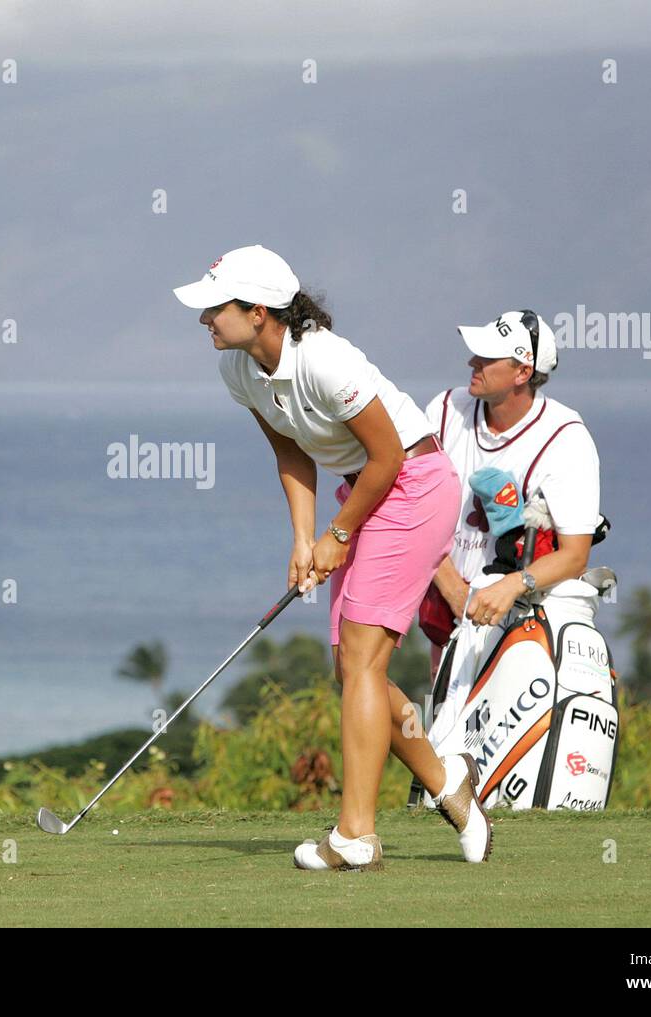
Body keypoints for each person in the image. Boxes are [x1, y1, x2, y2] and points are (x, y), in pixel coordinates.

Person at [172, 244, 492, 869]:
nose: (204, 319)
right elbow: (291, 453)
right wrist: (302, 537)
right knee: (351, 669)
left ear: (259, 311)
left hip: (414, 486)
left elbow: (389, 457)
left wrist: (337, 535)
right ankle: (447, 780)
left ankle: (356, 836)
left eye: (215, 308)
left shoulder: (324, 360)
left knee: (363, 662)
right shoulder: (238, 369)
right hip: (366, 492)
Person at [413, 310, 605, 754]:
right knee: (447, 730)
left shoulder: (566, 438)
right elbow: (415, 508)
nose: (472, 363)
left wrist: (509, 588)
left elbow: (576, 555)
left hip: (525, 618)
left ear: (523, 371)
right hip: (448, 608)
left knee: (502, 745)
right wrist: (452, 589)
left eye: (487, 357)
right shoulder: (445, 410)